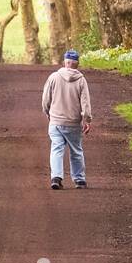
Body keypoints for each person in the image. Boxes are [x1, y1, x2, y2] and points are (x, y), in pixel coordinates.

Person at [41, 50, 92, 188]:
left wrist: (47, 112)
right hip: (73, 123)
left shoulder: (54, 77)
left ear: (64, 62)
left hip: (56, 121)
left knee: (56, 149)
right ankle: (79, 180)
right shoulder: (81, 80)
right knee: (76, 151)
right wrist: (86, 119)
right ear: (77, 64)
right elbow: (85, 103)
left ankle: (56, 178)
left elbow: (46, 98)